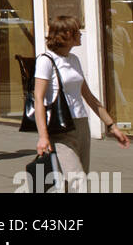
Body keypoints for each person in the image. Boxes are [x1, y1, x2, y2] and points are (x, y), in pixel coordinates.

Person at [33, 14, 129, 188]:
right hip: (60, 129)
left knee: (77, 178)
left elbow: (89, 97)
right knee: (79, 182)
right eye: (78, 31)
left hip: (81, 125)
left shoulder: (74, 60)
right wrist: (43, 136)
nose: (81, 35)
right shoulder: (45, 61)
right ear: (67, 34)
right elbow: (38, 99)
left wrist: (111, 126)